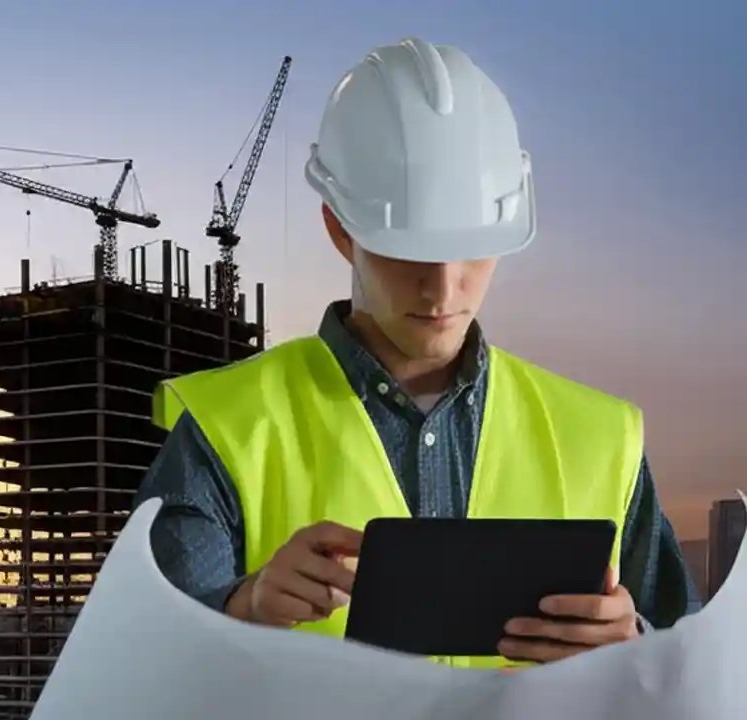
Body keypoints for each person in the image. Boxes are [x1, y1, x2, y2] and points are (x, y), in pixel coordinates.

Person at [133, 37, 700, 669]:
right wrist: (243, 607)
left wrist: (634, 647)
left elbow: (691, 672)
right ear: (340, 229)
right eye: (408, 252)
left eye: (473, 249)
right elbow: (142, 670)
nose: (444, 287)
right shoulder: (228, 426)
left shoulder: (600, 436)